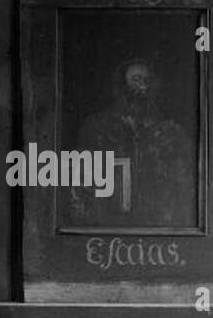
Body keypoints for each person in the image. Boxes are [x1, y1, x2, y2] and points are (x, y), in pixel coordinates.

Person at [74, 58, 196, 228]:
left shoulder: (172, 133)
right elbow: (82, 184)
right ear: (122, 85)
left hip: (158, 225)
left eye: (146, 81)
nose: (142, 87)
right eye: (136, 80)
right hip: (109, 224)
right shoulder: (97, 128)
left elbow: (184, 185)